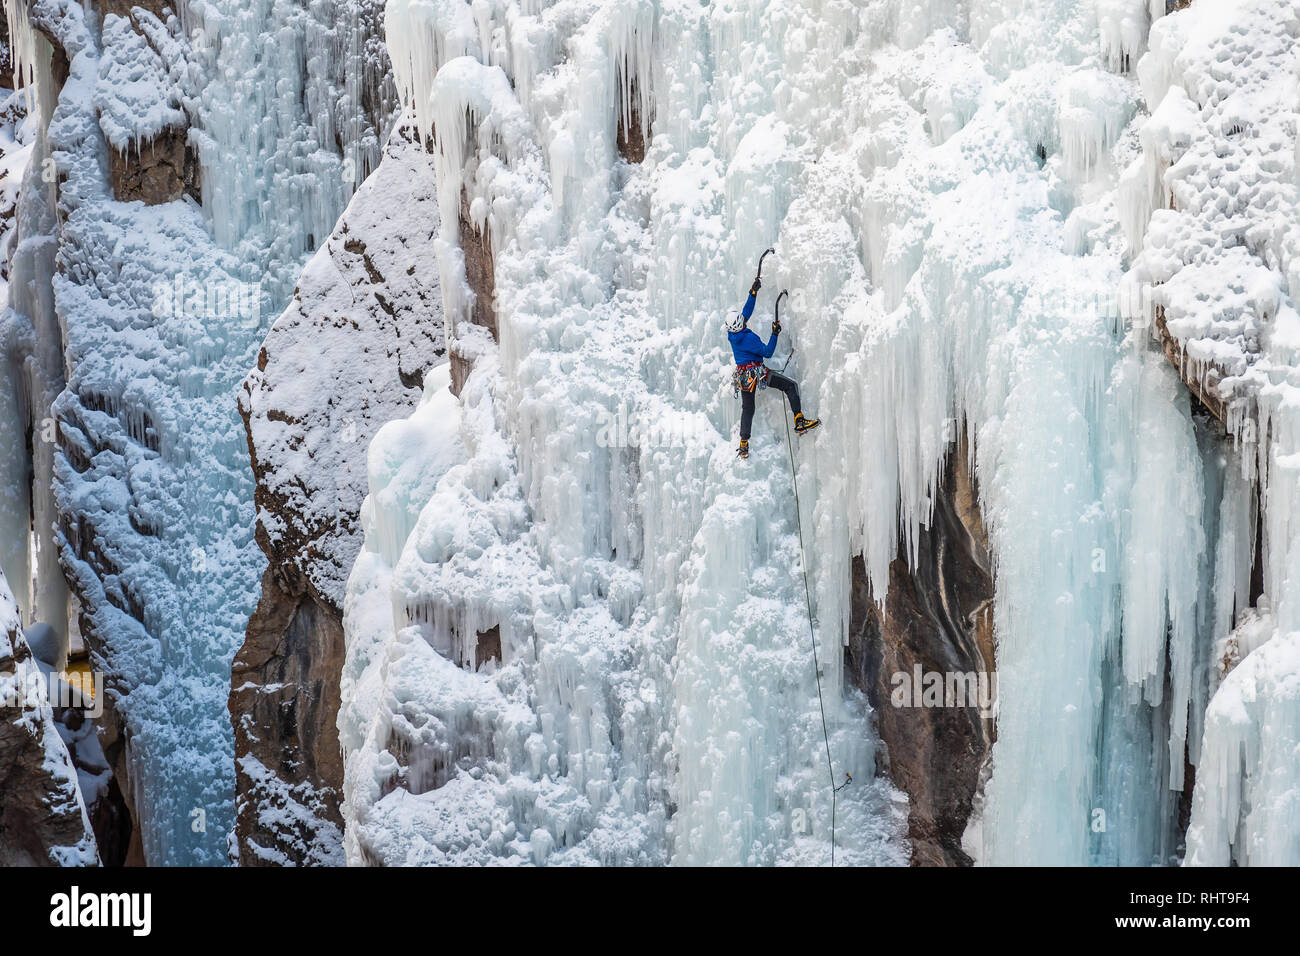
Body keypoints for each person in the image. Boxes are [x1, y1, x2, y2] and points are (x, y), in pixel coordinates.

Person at [725, 276, 821, 459]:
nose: (744, 320)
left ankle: (744, 444)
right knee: (790, 386)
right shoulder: (749, 339)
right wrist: (775, 333)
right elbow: (768, 352)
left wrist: (753, 292)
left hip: (743, 377)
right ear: (739, 324)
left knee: (748, 408)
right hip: (757, 373)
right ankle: (799, 421)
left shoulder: (732, 334)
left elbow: (746, 313)